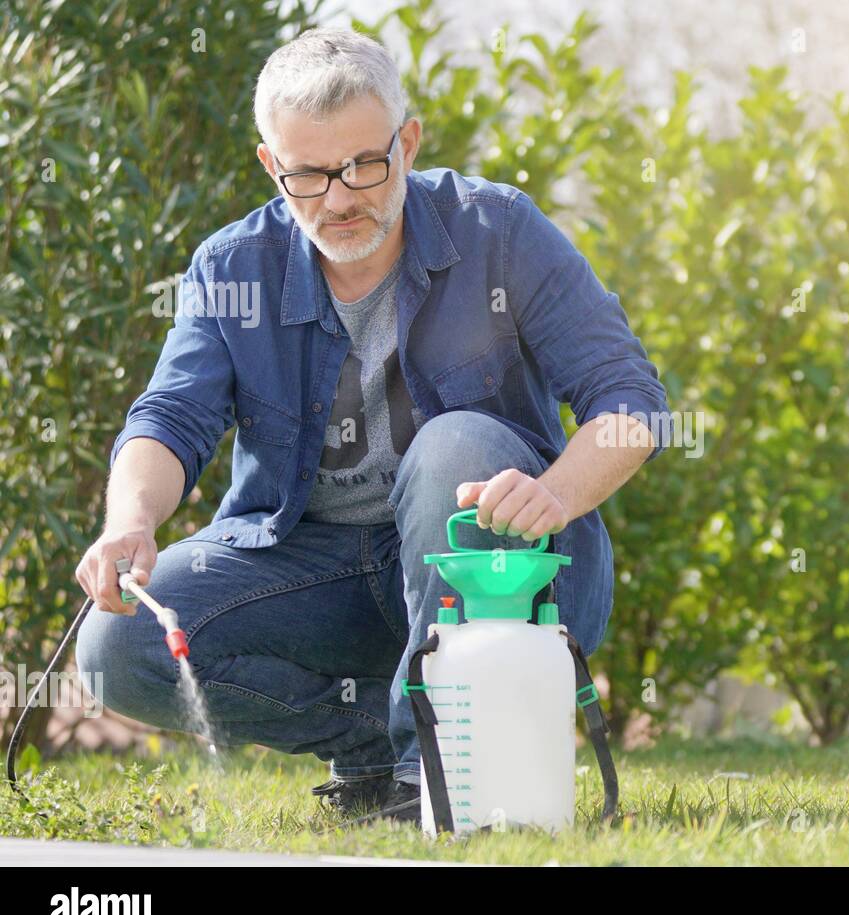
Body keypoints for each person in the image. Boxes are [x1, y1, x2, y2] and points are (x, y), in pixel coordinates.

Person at [73, 27, 670, 823]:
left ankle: (433, 773)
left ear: (409, 142)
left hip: (505, 574)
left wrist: (557, 494)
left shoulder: (499, 231)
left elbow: (631, 400)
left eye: (364, 164)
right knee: (115, 652)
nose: (340, 198)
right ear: (270, 165)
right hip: (324, 579)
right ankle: (388, 750)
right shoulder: (232, 269)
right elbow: (172, 415)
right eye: (308, 176)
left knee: (454, 445)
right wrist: (129, 521)